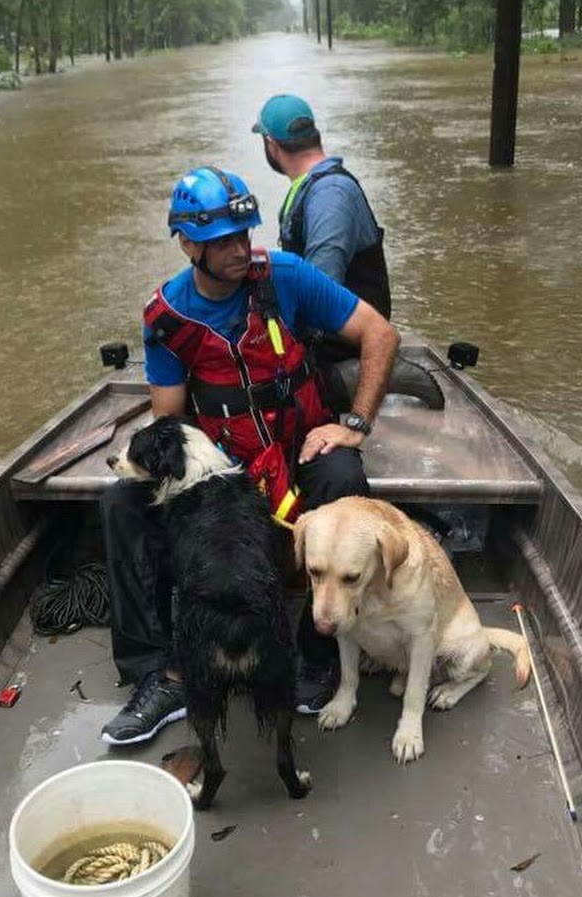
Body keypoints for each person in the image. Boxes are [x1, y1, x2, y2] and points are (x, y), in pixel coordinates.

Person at [99, 165, 399, 745]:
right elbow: (169, 419)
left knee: (343, 476)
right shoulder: (166, 317)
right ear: (188, 244)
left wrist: (355, 425)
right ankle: (158, 675)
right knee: (120, 506)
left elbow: (378, 334)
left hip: (298, 445)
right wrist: (200, 484)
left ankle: (315, 659)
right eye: (222, 241)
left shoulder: (284, 276)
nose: (240, 250)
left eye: (244, 235)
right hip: (228, 468)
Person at [252, 93, 392, 361]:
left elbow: (322, 289)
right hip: (327, 339)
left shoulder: (331, 194)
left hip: (341, 350)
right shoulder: (310, 186)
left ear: (271, 145)